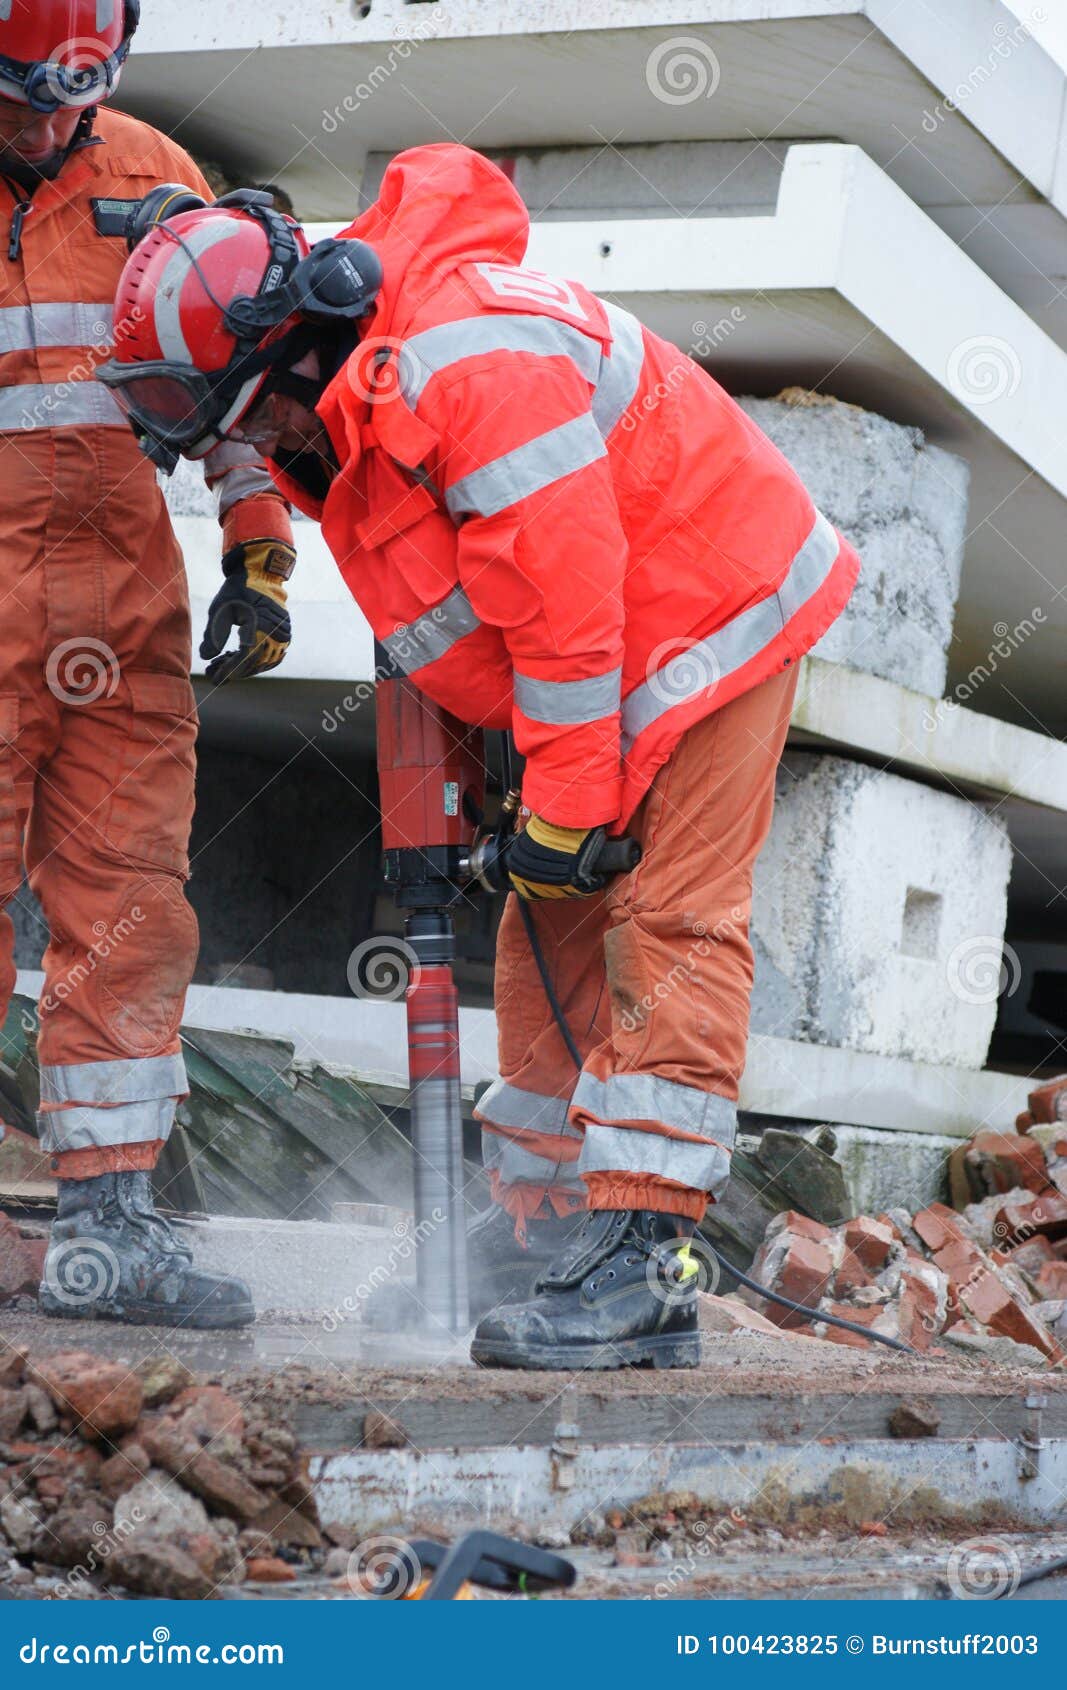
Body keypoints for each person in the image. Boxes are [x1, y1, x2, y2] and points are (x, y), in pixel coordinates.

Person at [97, 142, 860, 1368]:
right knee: (546, 916)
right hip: (600, 647)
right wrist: (501, 800)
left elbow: (564, 614)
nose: (256, 445)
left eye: (244, 416)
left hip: (713, 612)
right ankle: (546, 1229)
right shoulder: (351, 389)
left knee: (666, 922)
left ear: (291, 347)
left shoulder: (466, 367)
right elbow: (454, 602)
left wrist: (561, 801)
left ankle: (648, 1264)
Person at [0, 0, 297, 1329]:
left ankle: (110, 1225)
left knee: (130, 909)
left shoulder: (154, 175)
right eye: (26, 98)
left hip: (122, 623)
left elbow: (222, 372)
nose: (52, 122)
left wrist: (258, 550)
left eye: (75, 96)